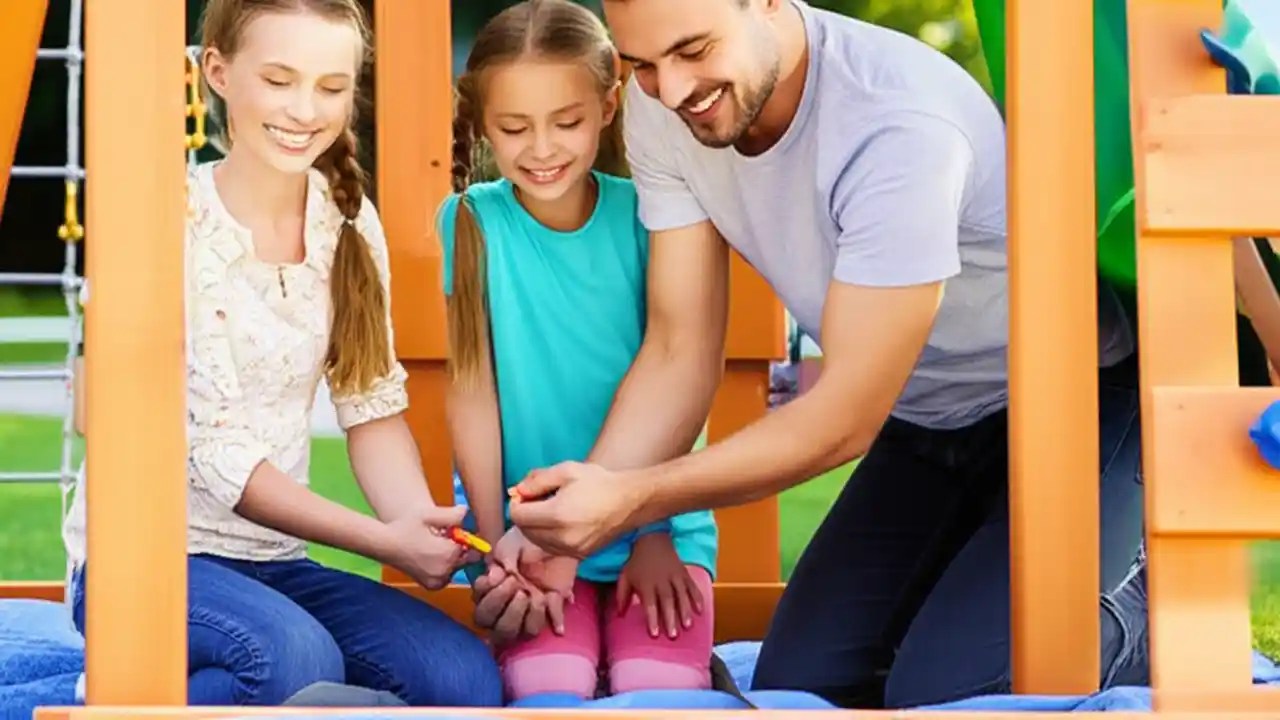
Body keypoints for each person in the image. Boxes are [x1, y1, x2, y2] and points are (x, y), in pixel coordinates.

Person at [505, 0, 1151, 709]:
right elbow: (677, 350)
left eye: (694, 50)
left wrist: (631, 500)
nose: (673, 88)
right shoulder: (663, 110)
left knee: (962, 691)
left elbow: (845, 416)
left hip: (1080, 404)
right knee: (803, 687)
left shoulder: (897, 123)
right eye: (644, 64)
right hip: (928, 421)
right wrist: (569, 526)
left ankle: (1154, 599)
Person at [62, 0, 502, 707]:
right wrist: (382, 541)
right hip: (148, 560)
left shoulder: (347, 221)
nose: (304, 110)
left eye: (331, 87)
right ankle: (121, 694)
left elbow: (371, 408)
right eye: (279, 80)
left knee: (460, 678)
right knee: (294, 659)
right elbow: (220, 457)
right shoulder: (170, 220)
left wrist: (417, 524)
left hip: (272, 564)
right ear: (218, 72)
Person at [438, 0, 719, 701]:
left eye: (566, 122)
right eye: (514, 128)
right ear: (483, 124)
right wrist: (500, 548)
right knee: (549, 691)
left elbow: (678, 375)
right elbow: (473, 390)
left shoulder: (652, 216)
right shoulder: (470, 222)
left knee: (657, 693)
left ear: (608, 106)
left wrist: (651, 530)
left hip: (654, 527)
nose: (541, 148)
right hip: (526, 535)